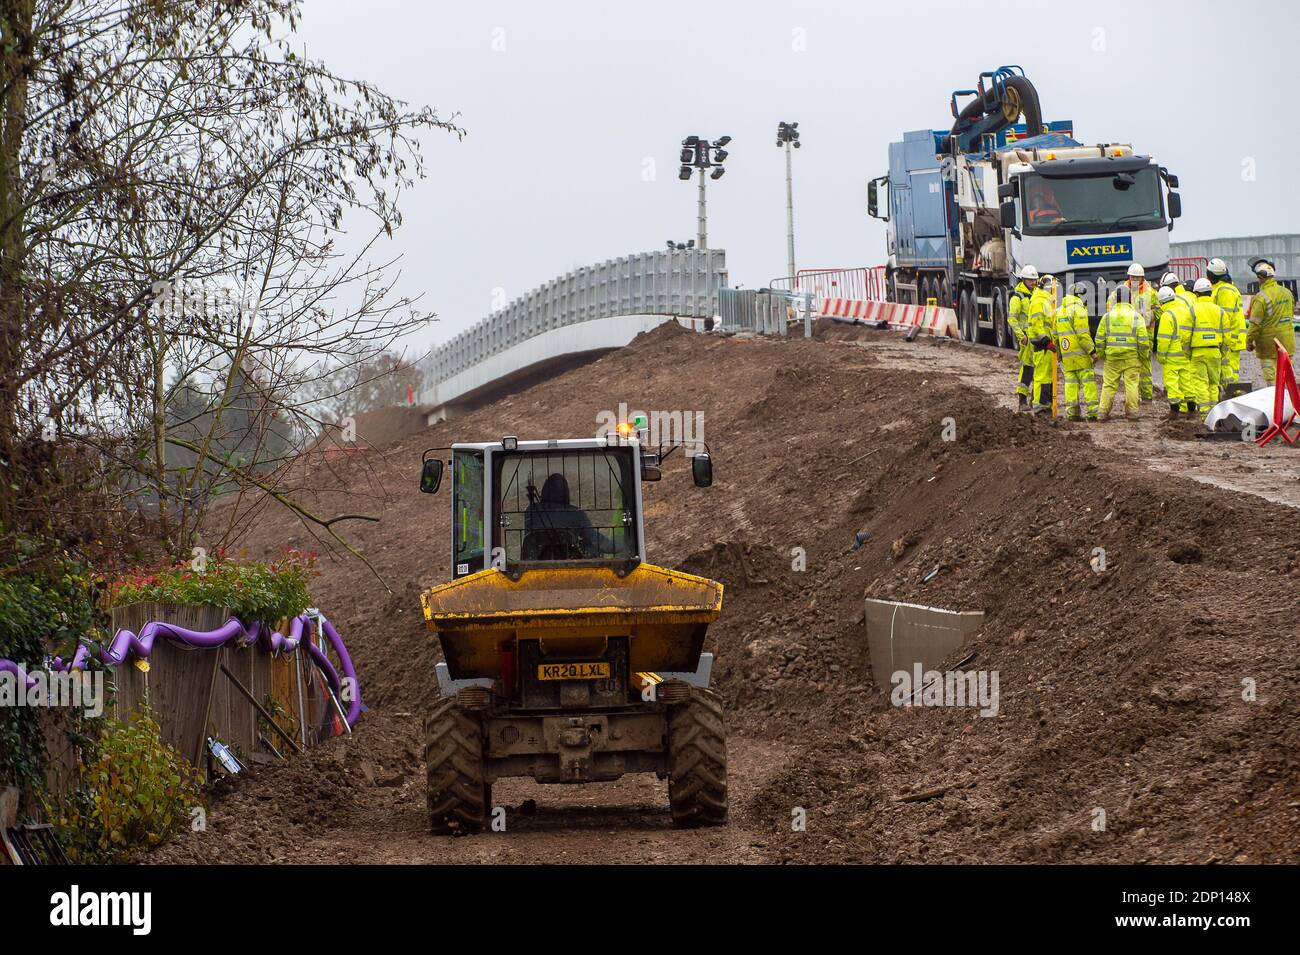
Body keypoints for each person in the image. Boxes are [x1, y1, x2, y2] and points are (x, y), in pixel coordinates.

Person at [523, 472, 616, 559]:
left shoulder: (531, 510)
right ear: (566, 493)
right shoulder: (576, 514)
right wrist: (622, 543)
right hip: (569, 565)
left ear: (544, 491)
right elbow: (596, 540)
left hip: (533, 565)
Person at [1095, 285, 1149, 420]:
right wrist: (1143, 356)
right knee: (1131, 384)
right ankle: (1132, 412)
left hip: (1112, 358)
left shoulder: (1107, 317)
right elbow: (1143, 341)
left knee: (1108, 385)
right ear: (1130, 299)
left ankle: (1102, 412)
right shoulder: (1137, 317)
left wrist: (1102, 355)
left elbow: (1099, 339)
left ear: (1116, 299)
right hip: (1132, 357)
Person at [1108, 264, 1159, 400]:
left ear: (1143, 277)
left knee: (1145, 370)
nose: (1135, 279)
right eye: (1133, 277)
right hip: (1127, 336)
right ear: (1129, 277)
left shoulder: (1151, 293)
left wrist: (1147, 316)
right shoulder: (1119, 292)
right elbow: (1110, 310)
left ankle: (1147, 397)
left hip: (1145, 336)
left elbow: (1159, 310)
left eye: (1138, 277)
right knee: (1130, 370)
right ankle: (1133, 398)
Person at [1246, 258, 1297, 385]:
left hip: (1268, 346)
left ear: (1261, 278)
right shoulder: (1287, 293)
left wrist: (1249, 341)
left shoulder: (1261, 297)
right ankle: (1290, 403)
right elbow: (1290, 314)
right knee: (1287, 377)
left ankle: (1275, 402)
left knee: (1272, 380)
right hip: (1287, 343)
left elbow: (1254, 324)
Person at [1055, 281, 1099, 420]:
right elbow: (1082, 335)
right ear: (1080, 295)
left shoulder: (1059, 311)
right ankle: (1093, 413)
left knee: (1071, 384)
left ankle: (1072, 413)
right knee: (1088, 383)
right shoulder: (1078, 310)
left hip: (1067, 356)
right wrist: (1092, 351)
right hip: (1081, 356)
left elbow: (1055, 336)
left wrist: (1060, 354)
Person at [1187, 277, 1226, 418]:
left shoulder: (1192, 310)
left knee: (1200, 383)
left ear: (1196, 294)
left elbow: (1186, 335)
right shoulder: (1220, 311)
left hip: (1198, 352)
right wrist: (1223, 352)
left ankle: (1205, 415)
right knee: (1213, 384)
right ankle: (1216, 416)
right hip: (1215, 351)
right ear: (1210, 293)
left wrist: (1187, 353)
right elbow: (1226, 336)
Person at [1153, 284, 1195, 418]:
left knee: (1172, 384)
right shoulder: (1185, 310)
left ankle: (1174, 411)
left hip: (1171, 357)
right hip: (1186, 354)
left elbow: (1163, 340)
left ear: (1161, 302)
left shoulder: (1167, 315)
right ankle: (1192, 411)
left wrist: (1161, 357)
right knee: (1187, 383)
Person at [1208, 258, 1245, 394]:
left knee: (1229, 369)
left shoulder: (1225, 290)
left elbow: (1225, 317)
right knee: (1226, 368)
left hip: (1230, 338)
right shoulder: (1221, 288)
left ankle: (1235, 395)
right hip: (1229, 337)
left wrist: (1220, 337)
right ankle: (1231, 393)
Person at [1008, 265, 1039, 410]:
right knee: (1027, 369)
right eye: (1030, 280)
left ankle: (1035, 399)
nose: (1033, 283)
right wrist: (1021, 336)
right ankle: (1022, 401)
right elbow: (1012, 319)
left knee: (1039, 370)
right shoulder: (1017, 297)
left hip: (1037, 337)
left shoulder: (1037, 295)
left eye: (1035, 280)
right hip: (1027, 339)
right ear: (1023, 279)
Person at [1028, 274, 1058, 413]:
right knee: (1041, 376)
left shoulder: (1043, 300)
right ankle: (1039, 406)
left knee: (1046, 376)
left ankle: (1045, 404)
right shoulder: (1039, 301)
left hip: (1046, 345)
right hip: (1042, 345)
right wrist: (1046, 342)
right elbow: (1037, 325)